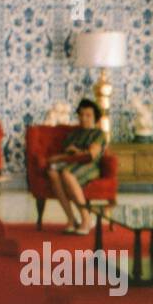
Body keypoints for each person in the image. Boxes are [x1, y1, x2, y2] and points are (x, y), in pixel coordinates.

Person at [44, 98, 107, 235]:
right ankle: (71, 219)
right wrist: (68, 155)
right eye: (81, 115)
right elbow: (68, 152)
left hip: (90, 165)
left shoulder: (98, 134)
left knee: (66, 173)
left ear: (95, 117)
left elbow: (90, 155)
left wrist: (67, 155)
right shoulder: (73, 134)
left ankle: (86, 219)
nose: (84, 118)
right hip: (72, 164)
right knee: (52, 173)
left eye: (88, 115)